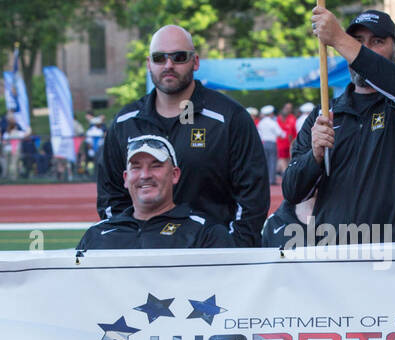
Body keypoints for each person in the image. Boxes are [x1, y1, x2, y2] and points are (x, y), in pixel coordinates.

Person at [98, 26, 267, 246]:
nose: (169, 65)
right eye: (160, 58)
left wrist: (231, 251)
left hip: (211, 260)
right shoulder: (125, 123)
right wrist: (130, 242)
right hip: (144, 261)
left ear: (195, 62)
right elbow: (111, 197)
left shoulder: (229, 118)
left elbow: (252, 198)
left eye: (179, 57)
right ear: (149, 63)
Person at [283, 8, 395, 241]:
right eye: (357, 41)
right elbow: (292, 190)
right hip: (336, 257)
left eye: (376, 41)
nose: (364, 48)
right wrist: (314, 156)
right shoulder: (324, 114)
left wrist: (339, 38)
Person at [77, 135, 231, 249]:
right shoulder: (97, 234)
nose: (145, 175)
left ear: (174, 174)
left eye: (156, 166)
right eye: (136, 167)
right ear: (126, 178)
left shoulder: (205, 234)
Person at [256, 104, 284, 185]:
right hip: (272, 143)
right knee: (273, 161)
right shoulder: (272, 122)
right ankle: (272, 179)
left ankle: (266, 179)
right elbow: (279, 133)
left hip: (264, 143)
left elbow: (259, 133)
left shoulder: (261, 122)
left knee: (266, 161)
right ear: (271, 113)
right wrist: (284, 135)